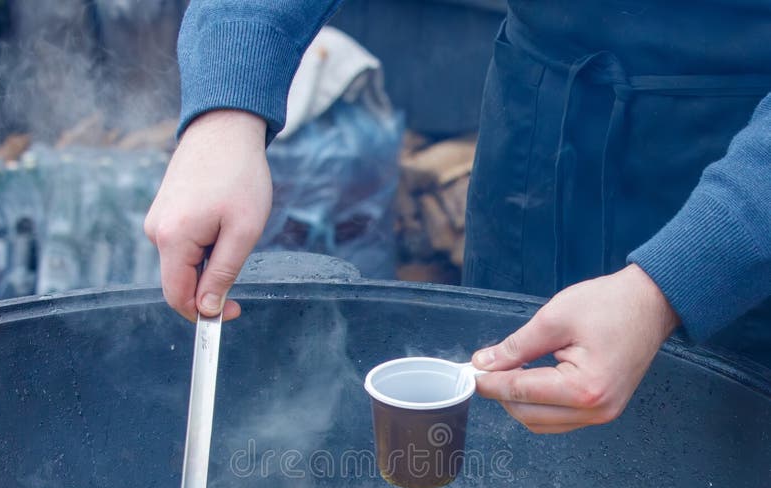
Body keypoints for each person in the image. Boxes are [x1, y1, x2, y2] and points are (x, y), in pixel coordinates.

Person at [145, 1, 771, 433]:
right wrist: (224, 109)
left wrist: (672, 283)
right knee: (513, 474)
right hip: (541, 143)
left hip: (748, 202)